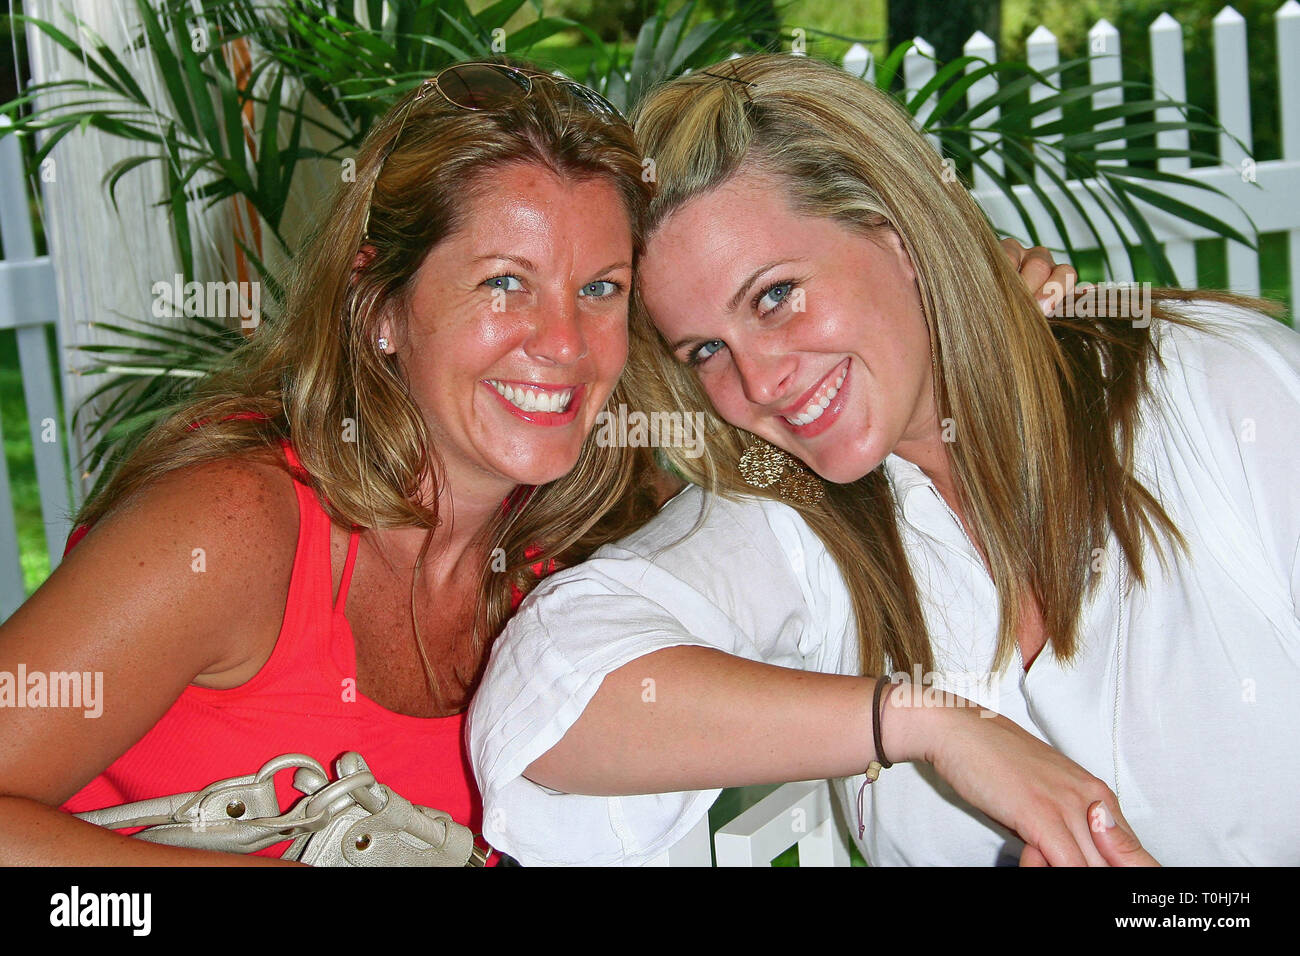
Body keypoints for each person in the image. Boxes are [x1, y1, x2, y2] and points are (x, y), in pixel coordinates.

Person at [468, 53, 1299, 866]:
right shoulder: (792, 509)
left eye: (775, 296)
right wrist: (930, 723)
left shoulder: (1215, 393)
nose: (759, 381)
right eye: (706, 350)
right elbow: (547, 691)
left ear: (899, 236)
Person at [0, 61, 663, 864]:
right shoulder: (235, 529)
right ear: (379, 305)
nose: (564, 342)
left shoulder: (559, 568)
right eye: (504, 282)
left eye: (600, 289)